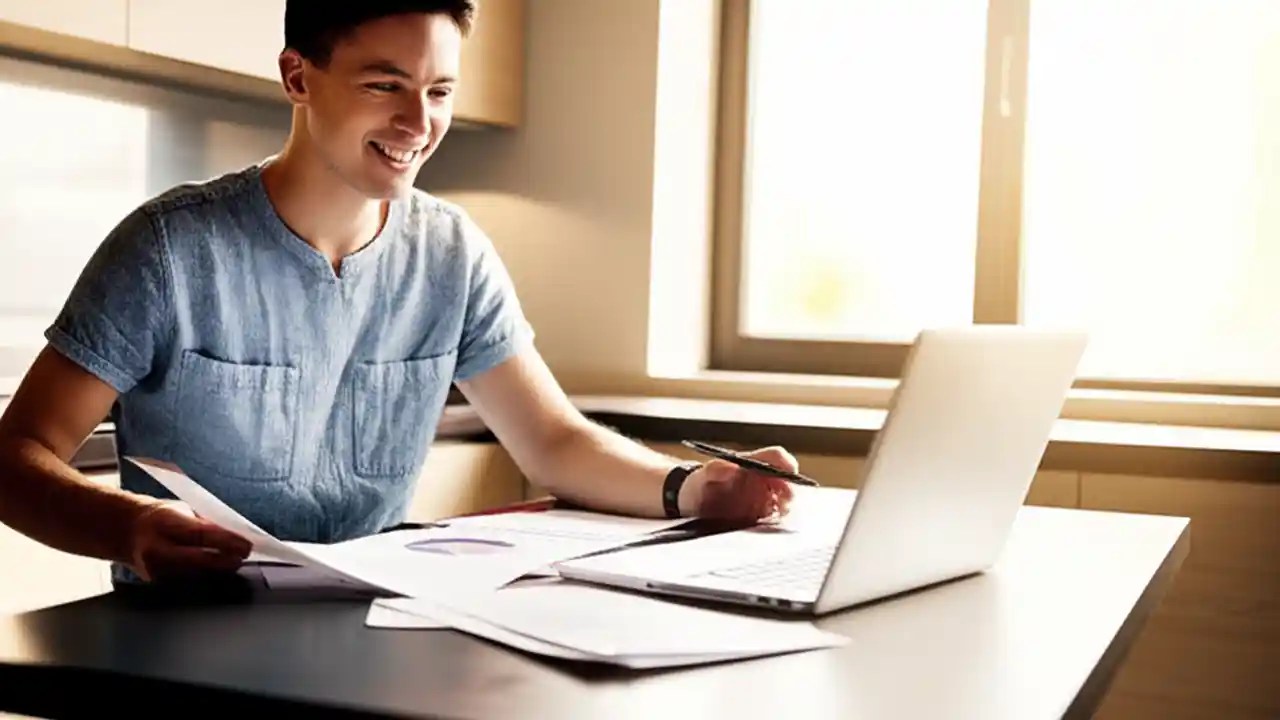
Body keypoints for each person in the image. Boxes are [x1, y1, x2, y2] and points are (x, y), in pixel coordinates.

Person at [0, 1, 797, 586]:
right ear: (296, 76)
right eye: (386, 85)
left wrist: (693, 487)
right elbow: (15, 457)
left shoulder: (452, 252)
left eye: (441, 91)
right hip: (184, 644)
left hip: (375, 626)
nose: (419, 121)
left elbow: (551, 442)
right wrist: (131, 524)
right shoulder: (171, 249)